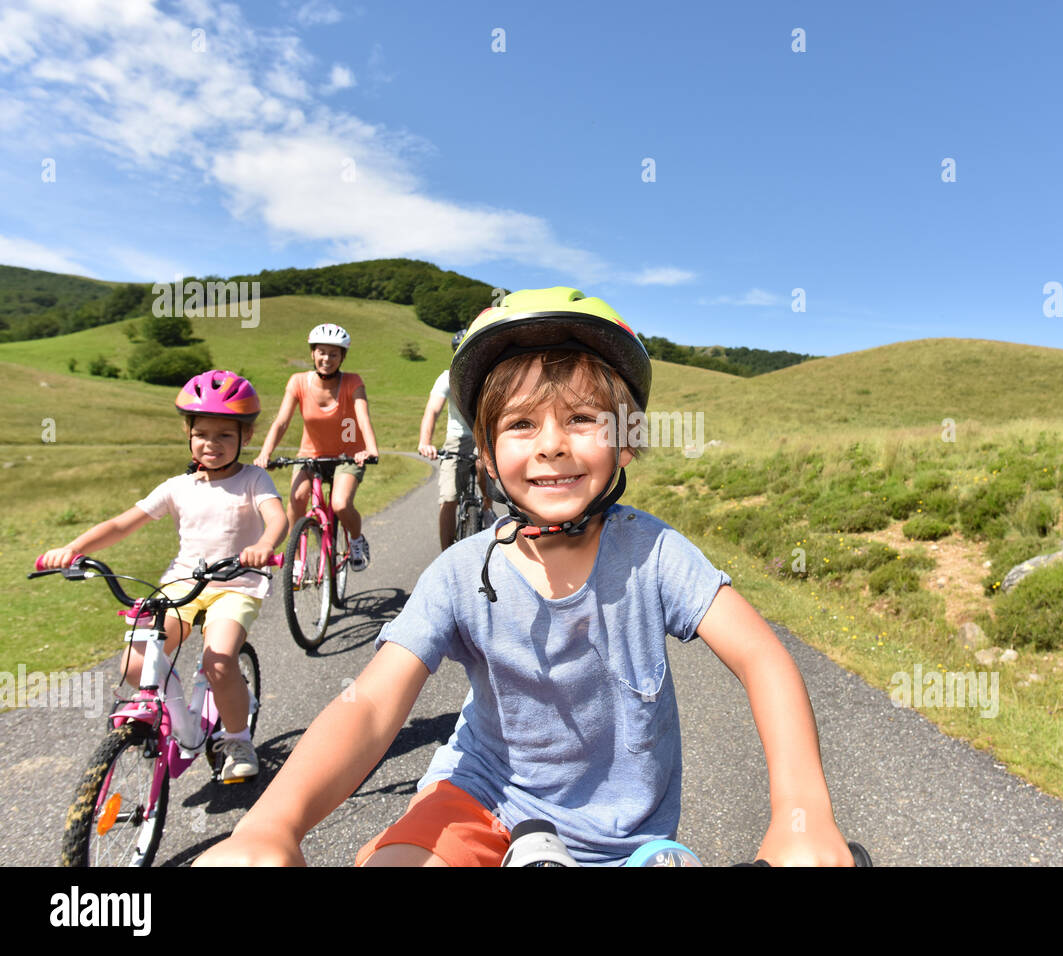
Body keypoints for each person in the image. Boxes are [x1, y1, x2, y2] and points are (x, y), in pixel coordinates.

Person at [195, 287, 851, 865]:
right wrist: (272, 825)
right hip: (480, 798)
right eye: (520, 425)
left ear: (626, 441)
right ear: (484, 453)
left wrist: (804, 815)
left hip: (625, 841)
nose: (551, 444)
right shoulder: (458, 574)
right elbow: (367, 705)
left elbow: (763, 658)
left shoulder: (656, 554)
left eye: (582, 419)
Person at [40, 370, 287, 781]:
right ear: (188, 433)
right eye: (202, 433)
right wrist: (75, 548)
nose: (212, 443)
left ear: (246, 436)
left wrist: (266, 545)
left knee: (220, 660)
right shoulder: (178, 486)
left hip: (235, 583)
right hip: (182, 582)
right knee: (137, 662)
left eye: (225, 435)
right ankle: (173, 713)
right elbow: (123, 524)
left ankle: (238, 737)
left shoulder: (252, 479)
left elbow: (276, 517)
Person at [254, 323, 380, 571]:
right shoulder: (298, 382)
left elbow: (362, 417)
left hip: (348, 456)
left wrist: (371, 449)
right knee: (297, 499)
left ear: (342, 357)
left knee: (341, 504)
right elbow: (281, 421)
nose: (327, 359)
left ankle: (356, 541)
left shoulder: (352, 382)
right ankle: (297, 560)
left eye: (334, 354)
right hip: (310, 455)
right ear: (312, 353)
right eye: (321, 352)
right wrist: (265, 453)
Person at [418, 329, 489, 551]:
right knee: (448, 497)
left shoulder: (488, 375)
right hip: (458, 437)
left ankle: (487, 507)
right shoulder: (446, 378)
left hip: (484, 434)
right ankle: (446, 555)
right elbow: (432, 411)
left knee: (483, 466)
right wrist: (425, 441)